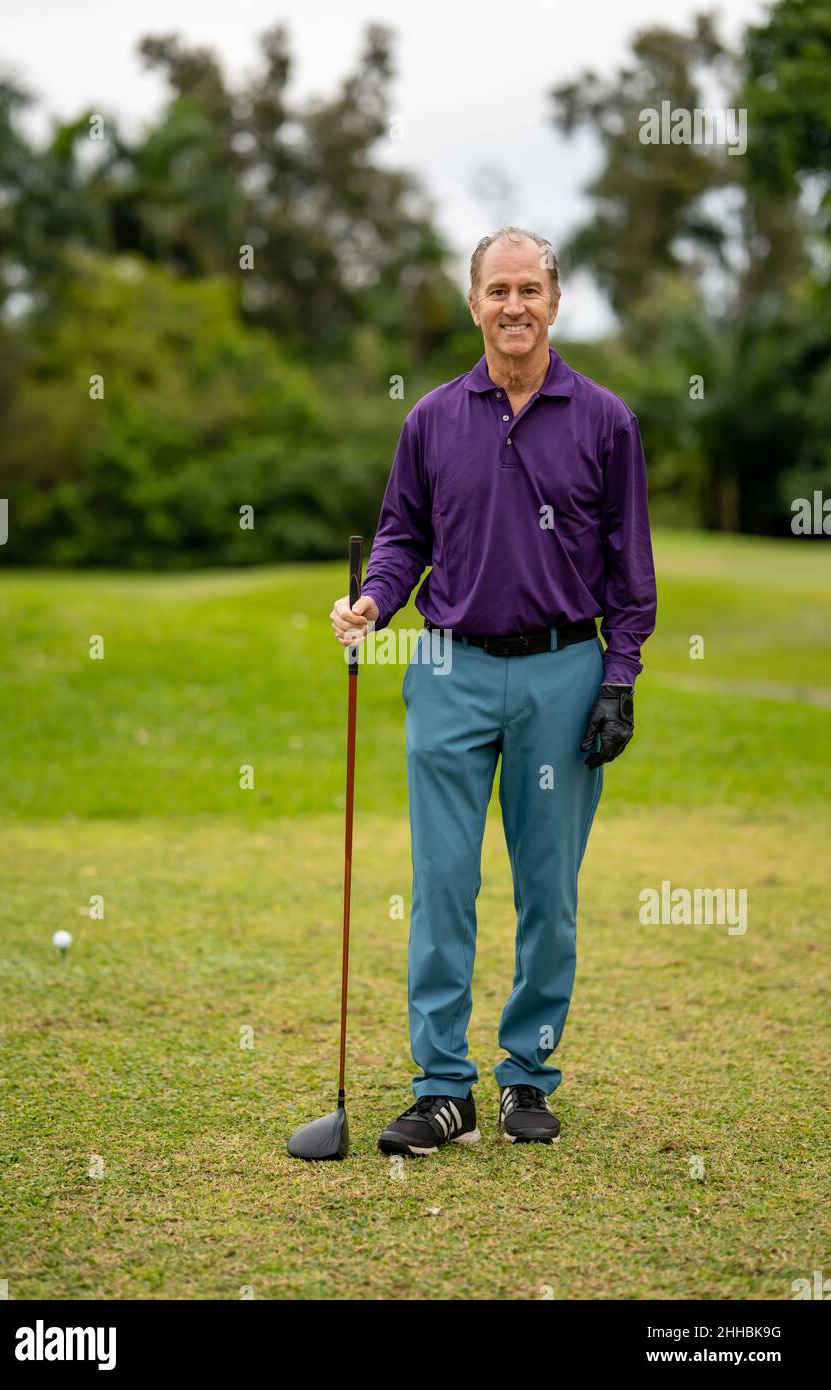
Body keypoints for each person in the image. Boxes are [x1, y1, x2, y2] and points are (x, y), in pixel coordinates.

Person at [329, 227, 656, 1156]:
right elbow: (401, 537)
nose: (514, 305)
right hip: (447, 670)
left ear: (556, 302)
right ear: (473, 304)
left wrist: (618, 680)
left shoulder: (606, 421)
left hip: (564, 671)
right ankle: (442, 1089)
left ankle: (526, 1078)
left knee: (548, 891)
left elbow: (633, 574)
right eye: (497, 290)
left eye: (530, 289)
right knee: (440, 885)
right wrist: (373, 602)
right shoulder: (430, 419)